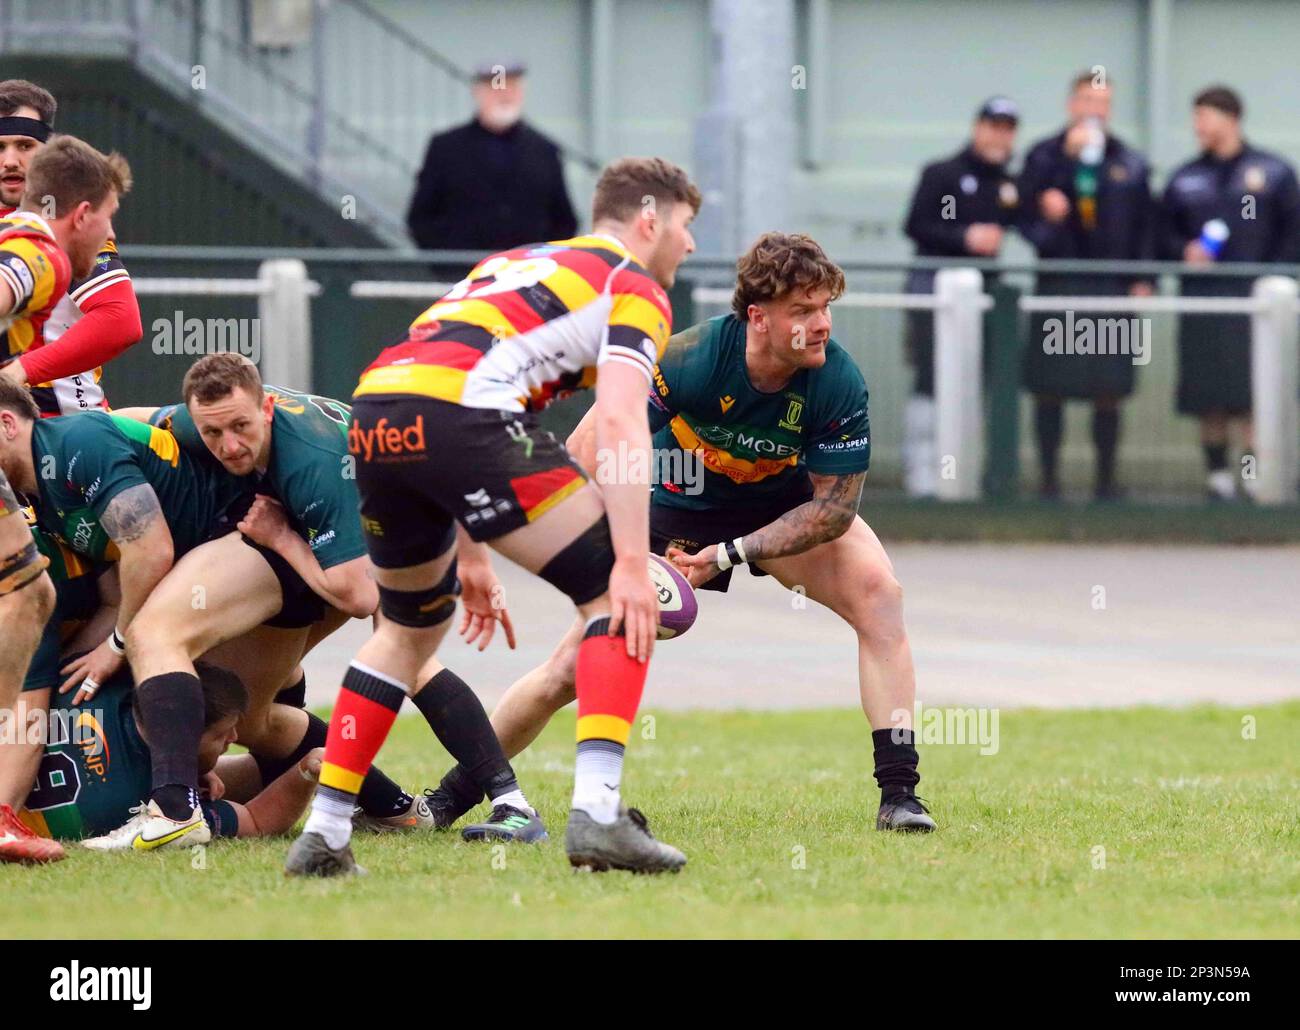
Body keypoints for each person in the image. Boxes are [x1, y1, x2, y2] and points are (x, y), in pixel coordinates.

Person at [429, 232, 936, 835]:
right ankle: (448, 798)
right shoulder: (690, 357)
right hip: (671, 504)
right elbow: (588, 450)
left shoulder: (837, 381)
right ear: (758, 318)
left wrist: (727, 555)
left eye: (826, 307)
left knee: (881, 598)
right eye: (803, 311)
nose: (822, 324)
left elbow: (832, 512)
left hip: (778, 507)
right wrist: (621, 553)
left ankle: (900, 796)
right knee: (571, 668)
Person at [286, 156, 699, 877]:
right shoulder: (631, 283)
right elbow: (624, 419)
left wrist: (472, 554)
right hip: (460, 413)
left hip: (378, 414)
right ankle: (599, 815)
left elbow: (454, 368)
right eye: (687, 226)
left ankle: (323, 835)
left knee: (409, 628)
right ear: (649, 219)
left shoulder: (519, 261)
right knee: (614, 598)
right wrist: (634, 561)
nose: (690, 245)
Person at [113, 355, 540, 846]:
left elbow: (357, 596)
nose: (228, 445)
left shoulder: (309, 462)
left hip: (404, 523)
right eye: (213, 434)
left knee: (407, 654)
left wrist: (282, 539)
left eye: (241, 427)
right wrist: (66, 426)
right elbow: (138, 418)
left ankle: (511, 803)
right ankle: (401, 808)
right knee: (256, 715)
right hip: (386, 509)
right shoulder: (216, 412)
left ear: (267, 407)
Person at [1159, 85, 1300, 501]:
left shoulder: (1273, 173)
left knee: (1253, 397)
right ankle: (1218, 480)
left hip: (1257, 309)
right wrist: (1182, 251)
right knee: (1210, 398)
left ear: (1230, 118)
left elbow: (1293, 235)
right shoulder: (1185, 177)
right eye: (1195, 117)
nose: (1197, 126)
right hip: (1204, 303)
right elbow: (1160, 234)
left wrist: (1275, 283)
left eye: (1204, 116)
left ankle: (1255, 479)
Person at [1018, 71, 1154, 500]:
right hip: (1058, 285)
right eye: (1087, 102)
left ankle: (1106, 482)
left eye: (1103, 104)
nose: (1094, 111)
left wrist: (1143, 278)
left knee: (1108, 389)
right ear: (1071, 105)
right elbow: (1023, 213)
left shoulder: (1129, 163)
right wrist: (1059, 175)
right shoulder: (1043, 156)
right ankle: (1049, 481)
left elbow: (1146, 228)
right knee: (1049, 388)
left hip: (1110, 288)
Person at [17, 660, 323, 846]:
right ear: (184, 738)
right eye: (222, 734)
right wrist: (305, 773)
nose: (235, 737)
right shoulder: (154, 803)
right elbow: (257, 822)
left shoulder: (92, 681)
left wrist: (198, 768)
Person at [0, 80, 142, 415]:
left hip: (64, 424)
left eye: (24, 146)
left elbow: (121, 320)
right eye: (0, 147)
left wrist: (20, 372)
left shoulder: (64, 225)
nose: (9, 161)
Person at [902, 96, 1020, 496]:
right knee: (929, 375)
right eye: (993, 125)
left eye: (1007, 128)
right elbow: (916, 224)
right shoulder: (942, 173)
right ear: (978, 127)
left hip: (985, 295)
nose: (999, 135)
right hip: (935, 289)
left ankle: (969, 473)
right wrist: (964, 236)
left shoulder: (1009, 185)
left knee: (982, 377)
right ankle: (923, 472)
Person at [405, 61, 577, 279]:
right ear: (478, 93)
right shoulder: (446, 148)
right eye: (497, 87)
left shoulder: (544, 151)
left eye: (512, 87)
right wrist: (448, 266)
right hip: (464, 277)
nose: (504, 95)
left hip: (528, 279)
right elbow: (421, 217)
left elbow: (564, 220)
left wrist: (543, 264)